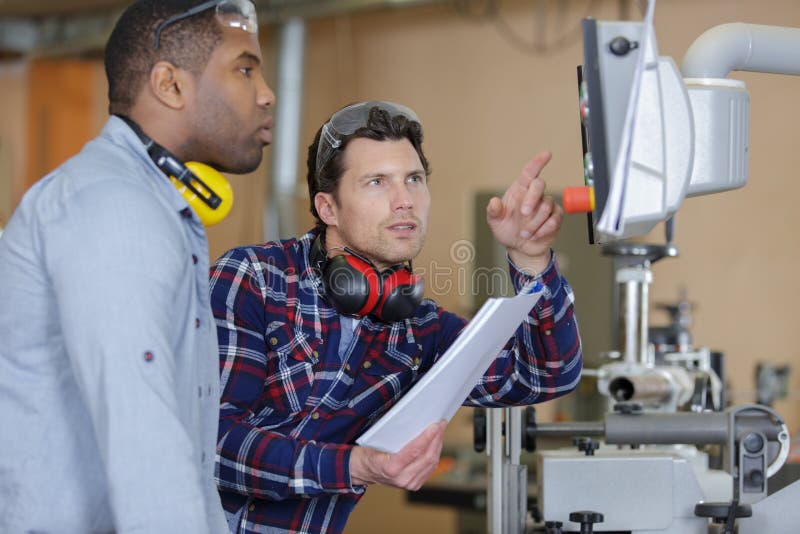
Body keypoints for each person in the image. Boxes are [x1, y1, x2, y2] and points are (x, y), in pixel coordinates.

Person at [209, 101, 582, 534]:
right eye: (376, 182)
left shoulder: (422, 330)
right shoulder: (254, 278)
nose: (404, 200)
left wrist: (531, 260)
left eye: (414, 180)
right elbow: (211, 445)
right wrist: (354, 466)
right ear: (328, 208)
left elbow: (546, 375)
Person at [0, 1, 274, 532]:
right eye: (245, 69)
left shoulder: (147, 202)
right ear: (169, 85)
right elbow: (144, 444)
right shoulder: (113, 205)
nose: (265, 93)